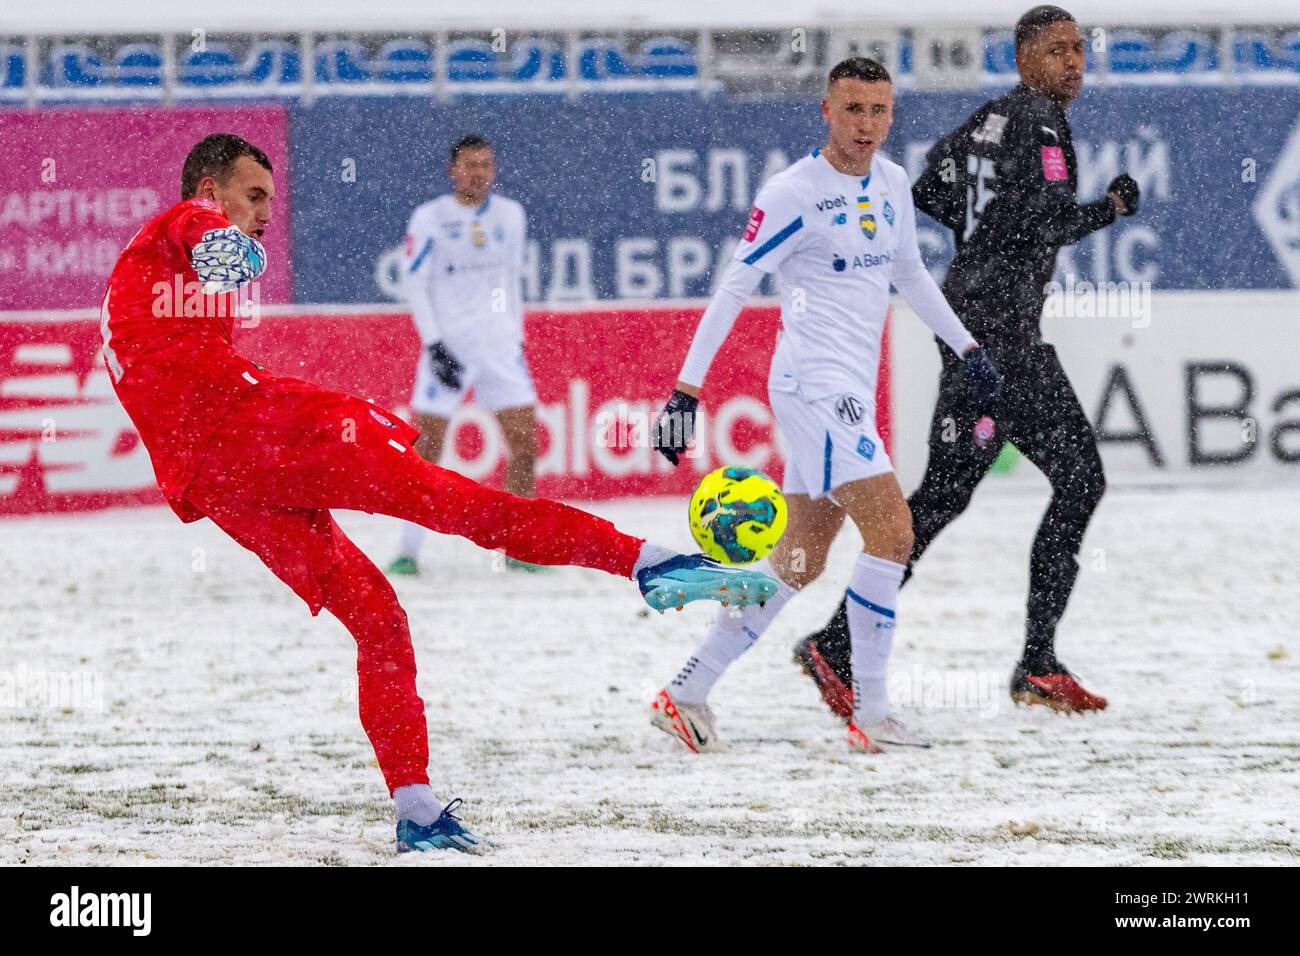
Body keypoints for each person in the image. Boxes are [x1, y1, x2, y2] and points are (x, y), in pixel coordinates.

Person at [99, 133, 777, 853]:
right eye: (255, 196)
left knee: (378, 617)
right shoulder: (180, 227)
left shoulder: (158, 275)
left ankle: (417, 812)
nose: (267, 211)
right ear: (210, 189)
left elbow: (174, 342)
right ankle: (646, 562)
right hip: (257, 433)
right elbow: (208, 239)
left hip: (220, 478)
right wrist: (232, 243)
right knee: (461, 505)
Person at [792, 5, 1139, 718]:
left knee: (944, 498)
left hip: (970, 325)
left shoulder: (988, 118)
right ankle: (1036, 663)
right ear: (1023, 60)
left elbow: (928, 187)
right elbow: (1047, 221)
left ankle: (836, 645)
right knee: (1080, 479)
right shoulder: (1040, 121)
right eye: (1055, 50)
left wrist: (982, 235)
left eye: (1078, 49)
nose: (1072, 62)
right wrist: (1110, 207)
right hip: (1004, 336)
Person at [650, 58, 1002, 755]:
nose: (866, 125)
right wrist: (687, 389)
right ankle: (873, 717)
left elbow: (908, 273)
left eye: (878, 110)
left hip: (848, 389)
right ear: (826, 112)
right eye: (852, 110)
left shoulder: (894, 182)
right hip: (814, 385)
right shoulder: (794, 193)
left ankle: (687, 691)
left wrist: (967, 346)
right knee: (894, 534)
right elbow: (733, 288)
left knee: (800, 560)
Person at [388, 134, 542, 576]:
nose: (478, 172)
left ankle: (518, 549)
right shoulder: (430, 218)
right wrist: (434, 344)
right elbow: (415, 283)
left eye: (486, 165)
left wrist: (516, 334)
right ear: (452, 170)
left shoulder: (512, 216)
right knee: (425, 453)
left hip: (499, 347)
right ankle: (408, 551)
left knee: (526, 445)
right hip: (449, 347)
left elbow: (512, 278)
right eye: (470, 164)